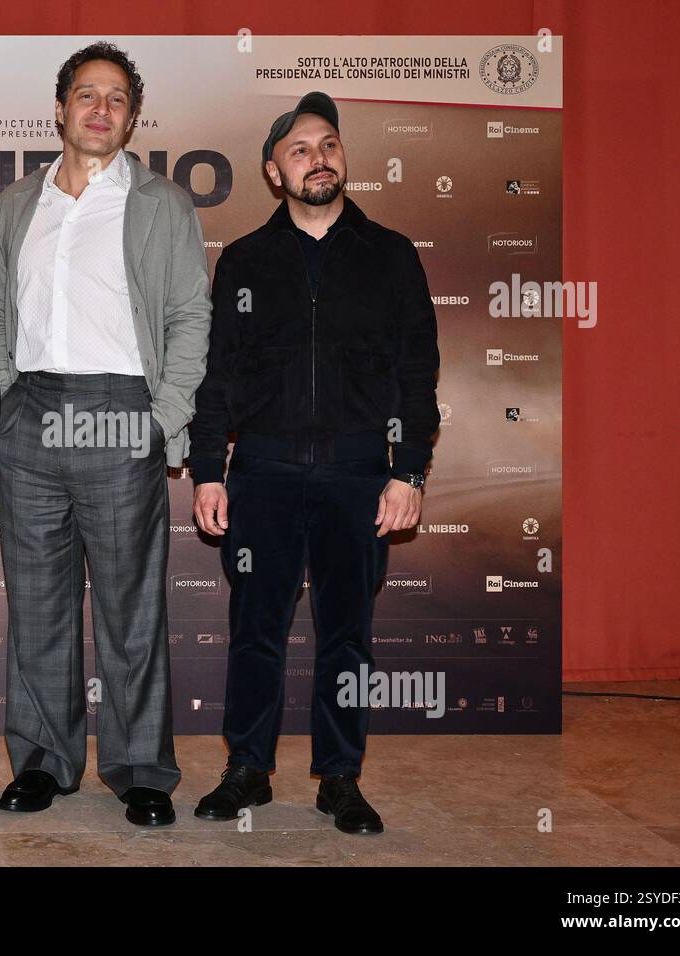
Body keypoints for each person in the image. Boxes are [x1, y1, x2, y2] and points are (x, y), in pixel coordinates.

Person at [188, 92, 440, 834]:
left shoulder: (390, 256)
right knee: (255, 627)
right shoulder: (244, 260)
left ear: (344, 158)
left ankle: (339, 776)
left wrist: (410, 470)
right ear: (274, 171)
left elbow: (416, 372)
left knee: (347, 632)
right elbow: (219, 375)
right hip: (261, 472)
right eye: (299, 149)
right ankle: (247, 768)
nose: (317, 157)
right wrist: (208, 468)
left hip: (360, 474)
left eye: (327, 144)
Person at [0, 42, 212, 827]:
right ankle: (44, 761)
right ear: (60, 108)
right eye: (87, 94)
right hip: (30, 415)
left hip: (123, 412)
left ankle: (141, 766)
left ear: (132, 116)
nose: (100, 109)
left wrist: (161, 421)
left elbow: (189, 316)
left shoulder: (162, 203)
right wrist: (6, 407)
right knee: (38, 606)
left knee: (130, 607)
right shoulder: (17, 203)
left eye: (117, 98)